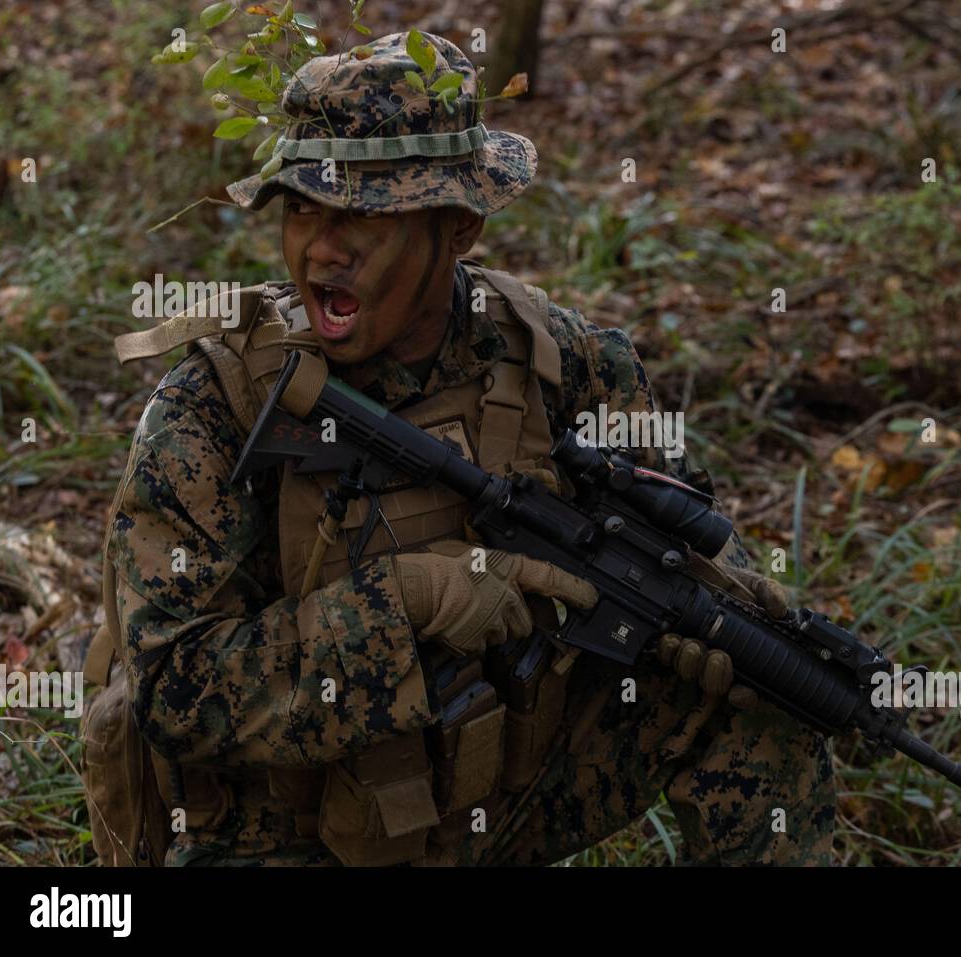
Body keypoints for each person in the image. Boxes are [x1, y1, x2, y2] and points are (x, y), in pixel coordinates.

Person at [99, 31, 835, 866]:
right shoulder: (216, 405)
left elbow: (672, 543)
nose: (323, 248)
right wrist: (403, 603)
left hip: (490, 788)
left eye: (366, 215)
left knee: (764, 697)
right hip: (287, 834)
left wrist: (710, 620)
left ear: (460, 227)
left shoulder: (567, 365)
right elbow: (174, 691)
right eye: (303, 207)